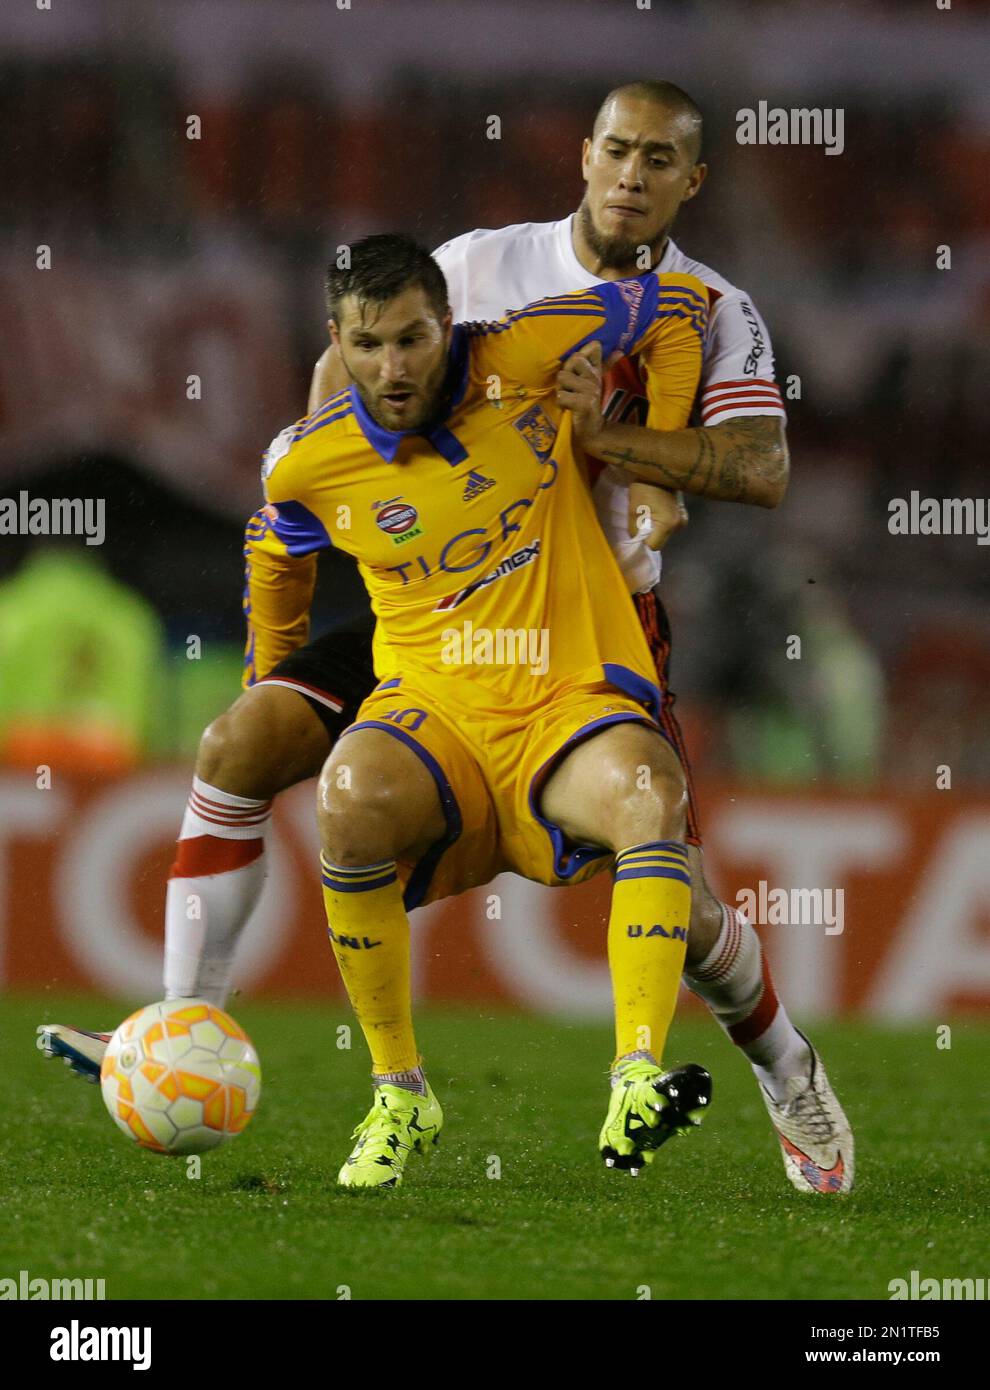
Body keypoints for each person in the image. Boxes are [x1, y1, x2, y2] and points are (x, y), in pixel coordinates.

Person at [39, 81, 853, 1196]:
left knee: (671, 879)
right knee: (241, 741)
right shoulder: (475, 263)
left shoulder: (713, 304)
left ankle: (785, 1066)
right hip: (416, 606)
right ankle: (180, 1027)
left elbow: (760, 470)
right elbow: (344, 380)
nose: (632, 175)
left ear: (692, 180)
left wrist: (611, 441)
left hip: (587, 617)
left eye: (660, 160)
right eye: (617, 151)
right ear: (583, 154)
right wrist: (340, 448)